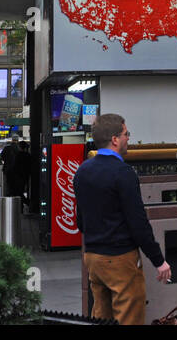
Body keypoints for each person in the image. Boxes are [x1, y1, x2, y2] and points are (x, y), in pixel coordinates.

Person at [73, 114, 171, 326]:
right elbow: (138, 223)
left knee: (101, 317)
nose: (129, 139)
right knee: (130, 318)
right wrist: (159, 260)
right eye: (126, 134)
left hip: (93, 257)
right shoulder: (124, 173)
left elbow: (80, 220)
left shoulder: (82, 170)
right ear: (115, 139)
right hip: (120, 259)